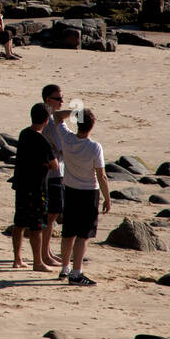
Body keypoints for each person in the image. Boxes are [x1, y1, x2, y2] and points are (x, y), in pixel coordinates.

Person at [51, 104, 111, 286]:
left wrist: (74, 112)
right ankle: (76, 272)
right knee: (83, 235)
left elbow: (56, 116)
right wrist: (107, 198)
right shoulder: (94, 147)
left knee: (68, 232)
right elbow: (101, 175)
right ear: (91, 126)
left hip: (69, 189)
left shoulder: (67, 139)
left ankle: (64, 268)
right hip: (88, 192)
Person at [11, 103, 59, 270]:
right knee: (37, 226)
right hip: (37, 188)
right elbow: (54, 165)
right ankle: (38, 262)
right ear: (46, 120)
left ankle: (17, 259)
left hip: (22, 185)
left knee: (19, 223)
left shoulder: (24, 134)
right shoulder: (42, 140)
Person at [39, 84, 67, 267]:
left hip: (56, 172)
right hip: (53, 174)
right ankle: (44, 254)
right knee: (51, 215)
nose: (61, 102)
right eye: (58, 99)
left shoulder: (50, 120)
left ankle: (47, 251)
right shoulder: (49, 122)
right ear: (48, 100)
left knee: (51, 215)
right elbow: (62, 147)